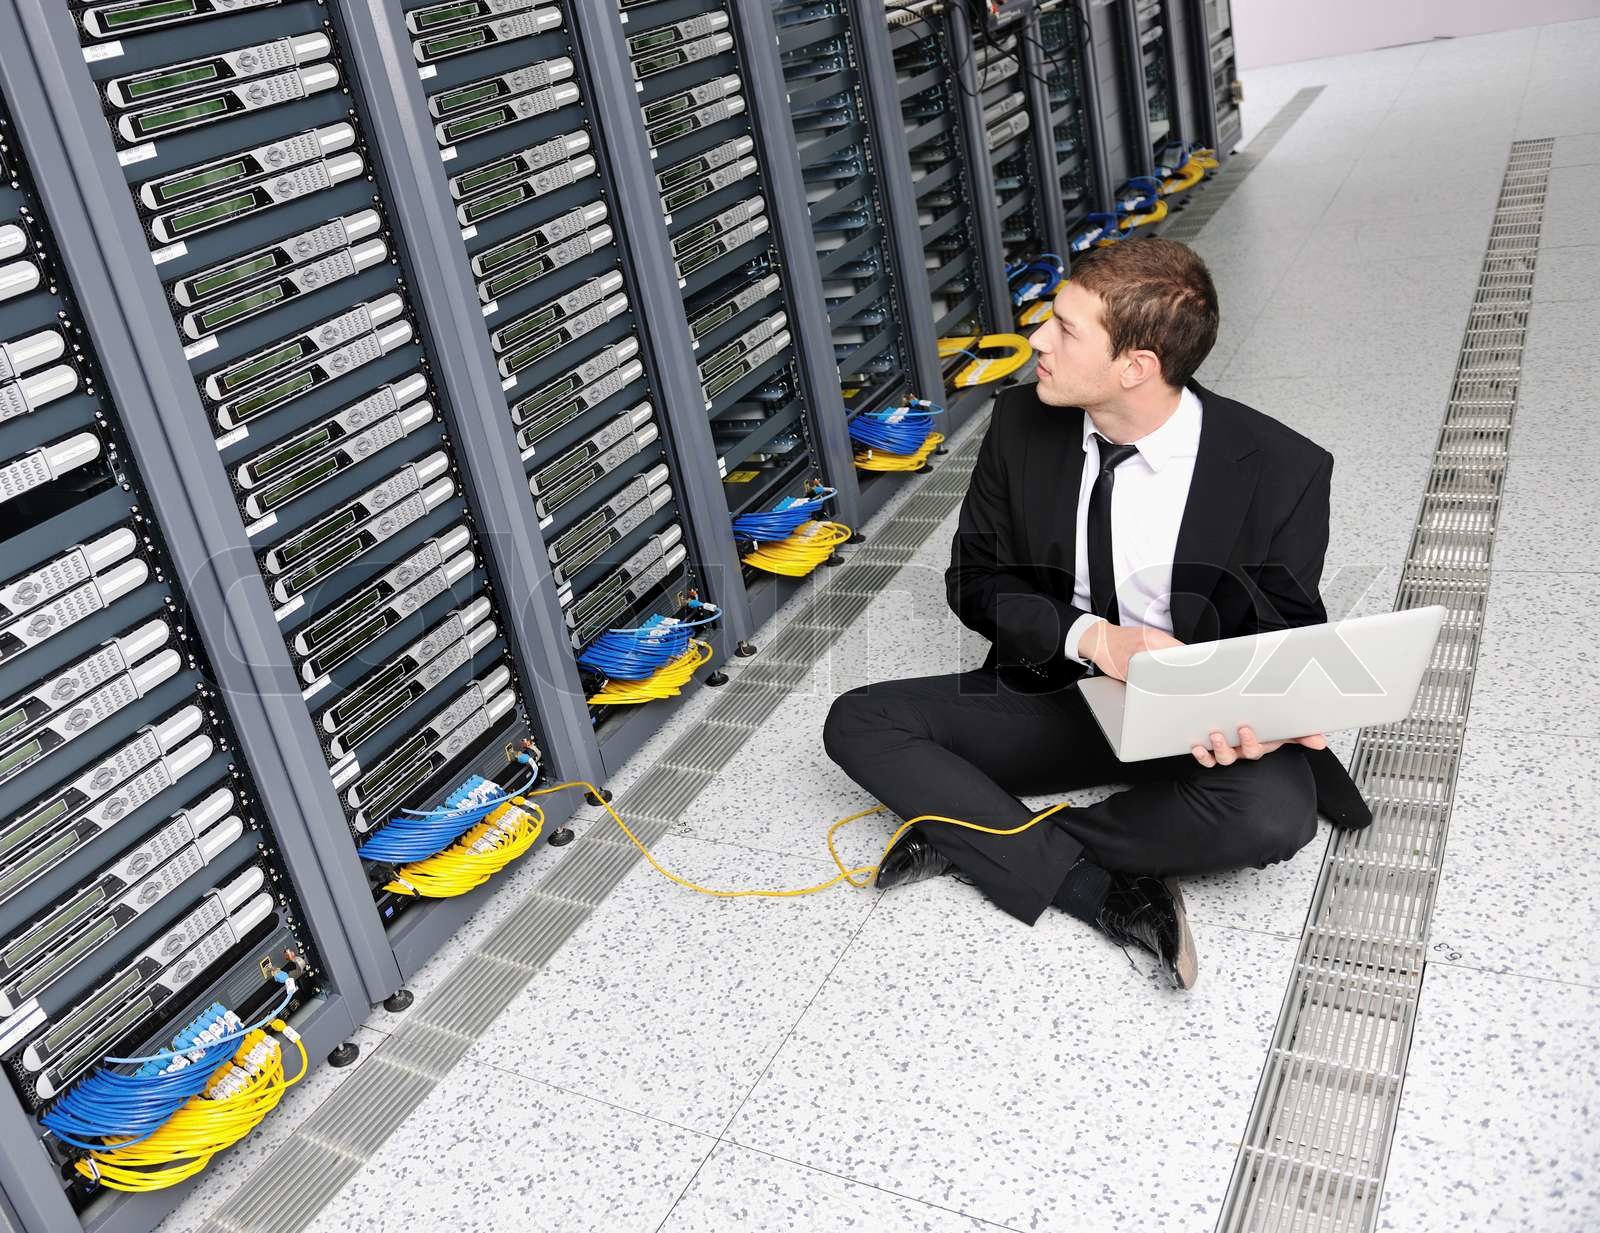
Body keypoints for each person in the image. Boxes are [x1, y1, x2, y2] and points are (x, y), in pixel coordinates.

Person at [822, 237, 1370, 991]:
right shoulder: (1021, 423)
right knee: (860, 721)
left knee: (1275, 816)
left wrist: (1251, 708)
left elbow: (1282, 630)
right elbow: (973, 580)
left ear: (1136, 366)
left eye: (1066, 329)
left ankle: (982, 838)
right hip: (1060, 686)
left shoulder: (1282, 468)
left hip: (1188, 708)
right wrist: (1095, 639)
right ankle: (1101, 890)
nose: (1037, 341)